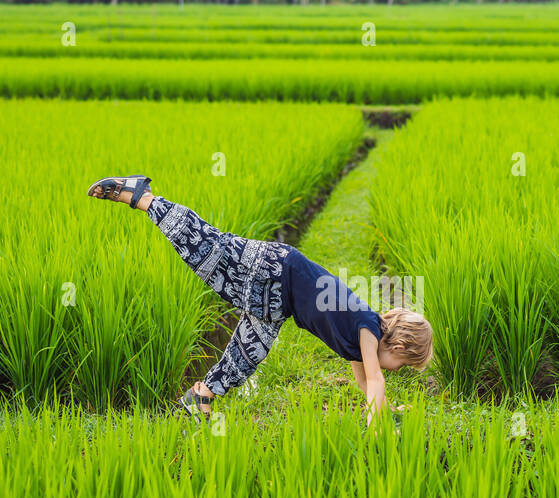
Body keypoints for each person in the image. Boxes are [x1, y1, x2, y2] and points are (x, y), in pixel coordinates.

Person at [87, 175, 433, 423]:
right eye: (402, 366)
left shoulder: (363, 344)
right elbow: (375, 380)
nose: (396, 370)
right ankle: (143, 197)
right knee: (209, 250)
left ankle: (200, 398)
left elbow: (364, 382)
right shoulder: (367, 330)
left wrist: (387, 414)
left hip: (278, 301)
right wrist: (376, 430)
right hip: (275, 270)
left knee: (249, 351)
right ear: (399, 347)